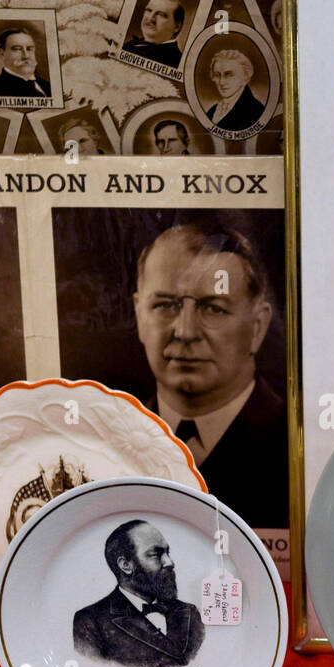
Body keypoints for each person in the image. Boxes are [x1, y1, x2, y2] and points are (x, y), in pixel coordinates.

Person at [132, 216, 286, 528]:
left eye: (213, 308)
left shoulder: (295, 444)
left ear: (257, 328)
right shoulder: (110, 436)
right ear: (139, 316)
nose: (185, 332)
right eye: (165, 305)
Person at [73, 519, 205, 667]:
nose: (170, 562)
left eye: (168, 553)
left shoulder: (190, 612)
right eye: (156, 554)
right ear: (126, 565)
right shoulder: (90, 621)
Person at [205, 48, 264, 131]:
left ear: (245, 77)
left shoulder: (256, 111)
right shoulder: (212, 111)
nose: (221, 82)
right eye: (217, 75)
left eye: (229, 75)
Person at [123, 0, 184, 66]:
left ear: (176, 27)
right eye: (148, 10)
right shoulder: (129, 45)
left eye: (161, 14)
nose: (151, 18)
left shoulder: (176, 61)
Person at [0, 27, 51, 98]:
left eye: (29, 49)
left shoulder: (48, 86)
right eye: (17, 49)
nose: (26, 56)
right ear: (2, 53)